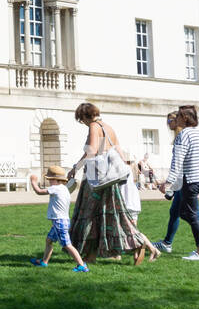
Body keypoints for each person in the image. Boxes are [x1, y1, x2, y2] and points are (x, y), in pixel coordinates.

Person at [66, 102, 158, 265]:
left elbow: (92, 151)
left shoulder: (94, 126)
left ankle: (135, 244)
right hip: (110, 180)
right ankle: (94, 255)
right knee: (107, 216)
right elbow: (119, 154)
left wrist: (77, 167)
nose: (84, 124)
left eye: (82, 120)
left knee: (89, 215)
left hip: (96, 179)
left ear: (86, 116)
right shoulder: (108, 128)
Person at [158, 106, 199, 261]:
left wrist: (168, 183)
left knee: (190, 214)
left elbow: (177, 161)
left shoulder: (183, 135)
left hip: (190, 179)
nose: (176, 118)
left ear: (184, 117)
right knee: (185, 212)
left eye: (178, 115)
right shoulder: (198, 134)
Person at [28, 166, 88, 272]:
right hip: (62, 221)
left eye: (50, 179)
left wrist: (33, 182)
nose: (49, 182)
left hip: (59, 222)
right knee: (49, 240)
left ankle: (82, 265)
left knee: (67, 244)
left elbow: (39, 192)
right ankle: (44, 262)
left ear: (56, 180)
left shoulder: (55, 188)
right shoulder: (64, 188)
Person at [155, 112, 184, 253]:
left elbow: (178, 164)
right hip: (181, 181)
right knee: (176, 212)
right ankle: (167, 242)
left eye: (169, 120)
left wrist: (168, 183)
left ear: (177, 121)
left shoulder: (181, 138)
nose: (168, 124)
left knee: (189, 214)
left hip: (184, 181)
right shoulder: (179, 137)